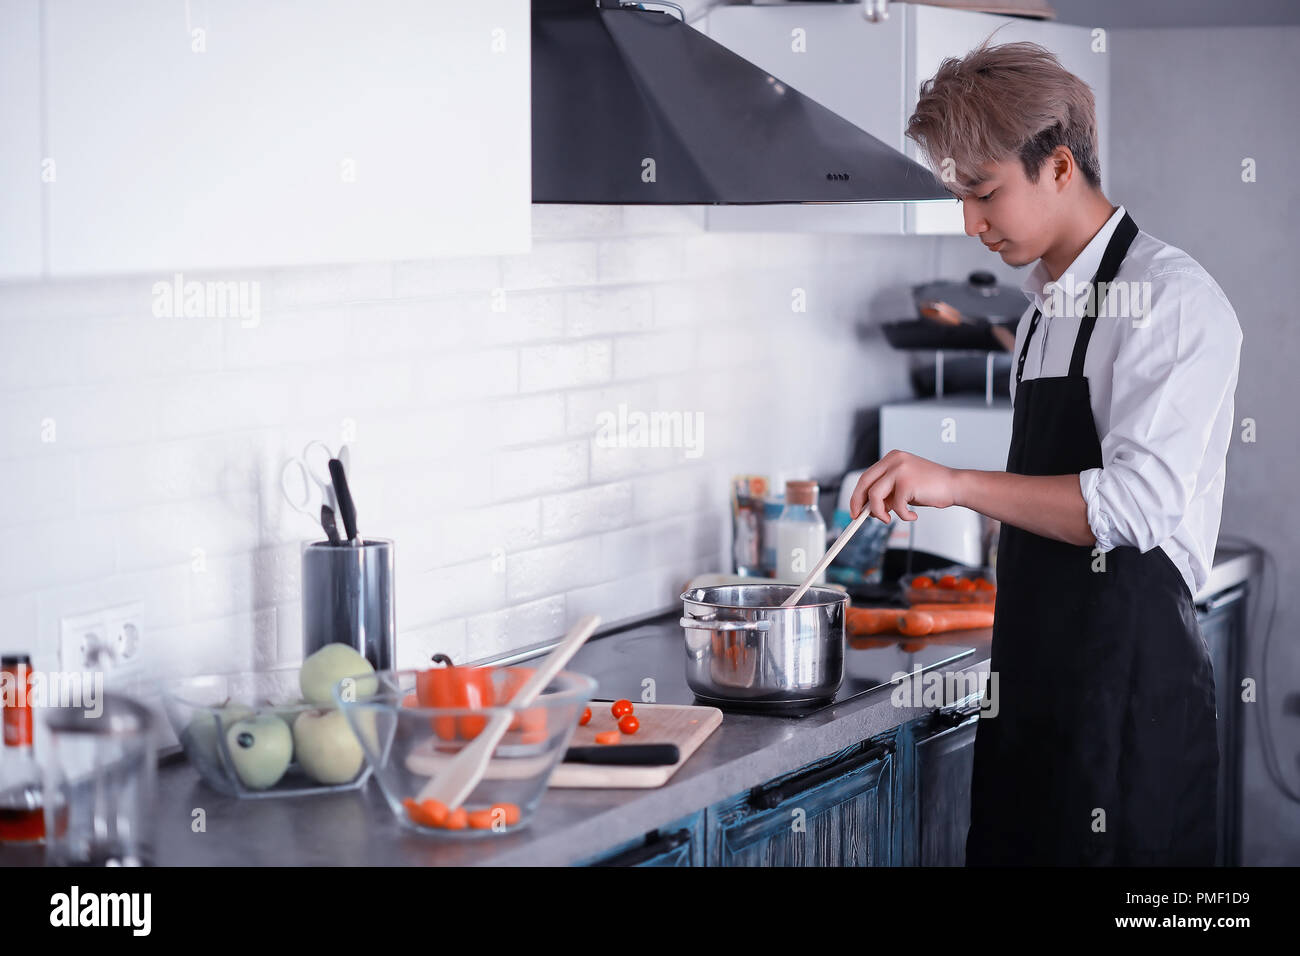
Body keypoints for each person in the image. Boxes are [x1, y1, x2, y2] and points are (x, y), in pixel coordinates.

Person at [849, 39, 1242, 865]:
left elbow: (1133, 506)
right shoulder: (1039, 315)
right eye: (959, 196)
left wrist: (954, 482)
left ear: (1059, 167)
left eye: (984, 192)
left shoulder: (1171, 301)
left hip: (1127, 703)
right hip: (1031, 693)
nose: (970, 222)